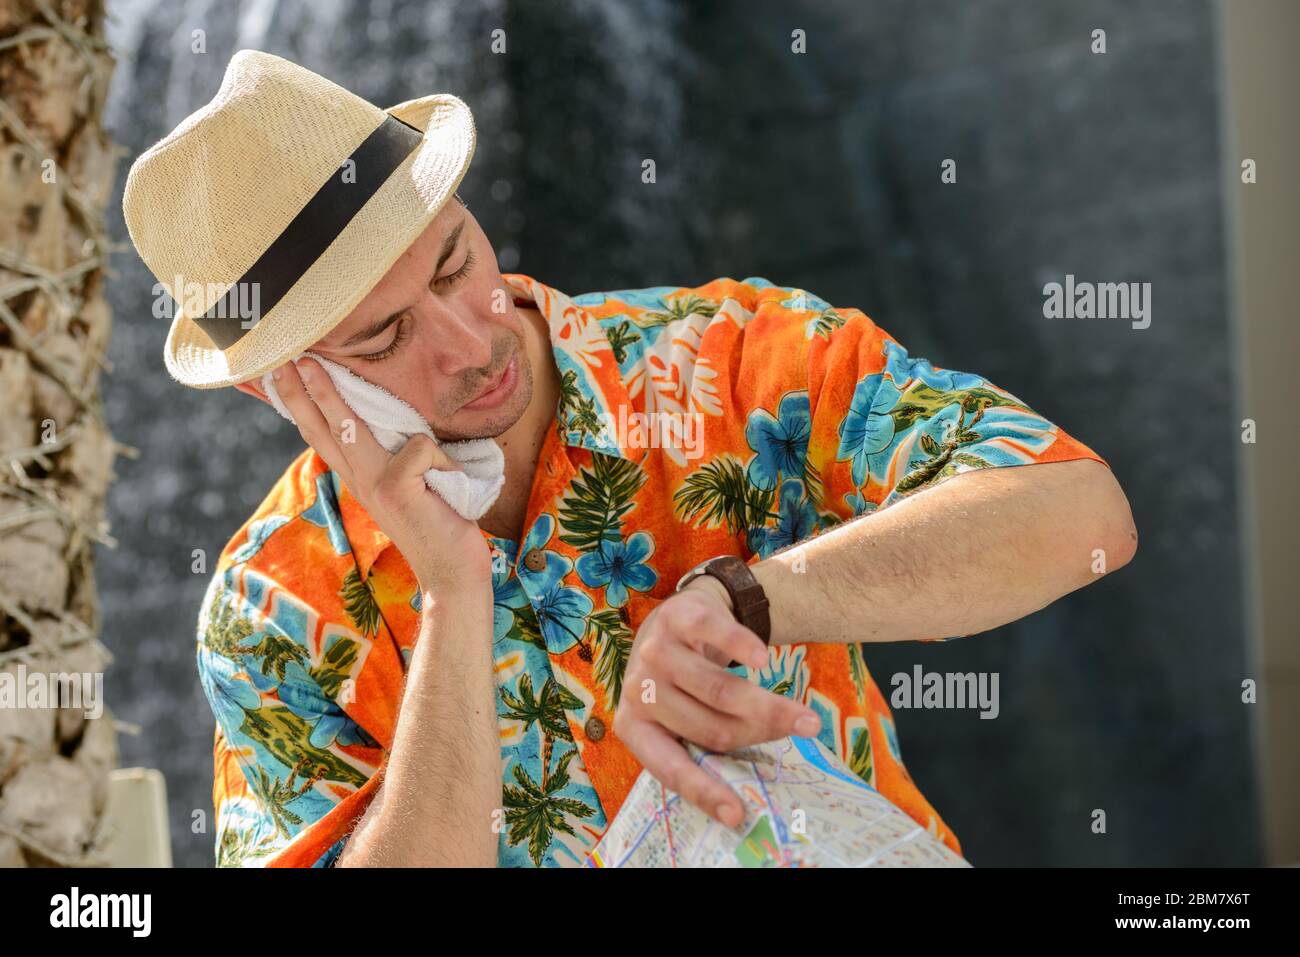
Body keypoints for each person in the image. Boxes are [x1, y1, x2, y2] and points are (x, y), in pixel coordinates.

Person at [123, 50, 1137, 868]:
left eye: (454, 261)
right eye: (383, 340)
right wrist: (450, 598)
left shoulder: (730, 358)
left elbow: (1080, 516)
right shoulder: (268, 607)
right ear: (282, 388)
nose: (470, 344)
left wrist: (753, 597)